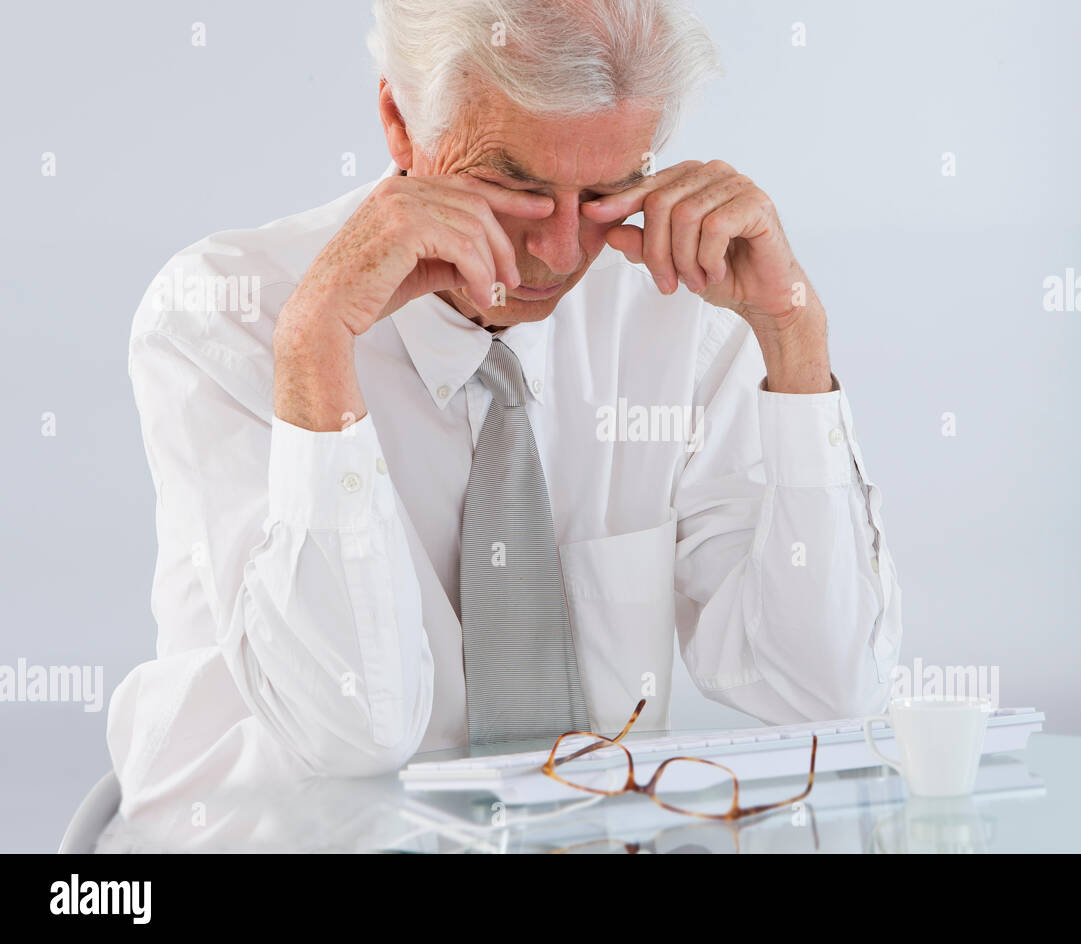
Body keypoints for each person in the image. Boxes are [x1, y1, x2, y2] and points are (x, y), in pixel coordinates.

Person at [108, 0, 902, 821]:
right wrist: (316, 349)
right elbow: (351, 732)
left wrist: (795, 341)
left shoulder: (678, 311)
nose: (560, 254)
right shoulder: (228, 312)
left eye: (605, 192)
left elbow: (825, 689)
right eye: (513, 186)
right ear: (399, 121)